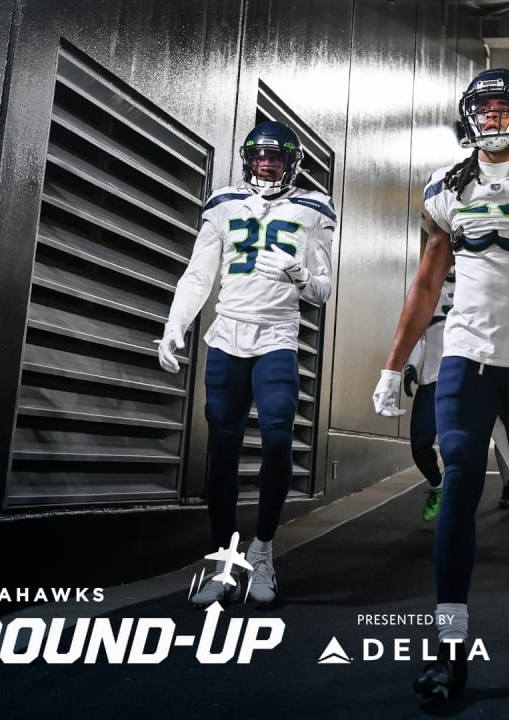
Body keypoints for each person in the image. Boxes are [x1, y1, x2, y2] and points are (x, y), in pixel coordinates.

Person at [370, 68, 509, 701]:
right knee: (462, 478)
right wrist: (394, 363)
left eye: (505, 108)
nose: (494, 118)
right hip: (466, 359)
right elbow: (424, 286)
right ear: (470, 116)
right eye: (485, 108)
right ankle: (448, 648)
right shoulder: (444, 190)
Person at [156, 120, 335, 608]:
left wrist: (298, 273)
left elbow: (322, 288)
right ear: (246, 160)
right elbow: (199, 273)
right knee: (224, 452)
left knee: (278, 440)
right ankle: (222, 559)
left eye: (274, 159)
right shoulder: (222, 202)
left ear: (291, 163)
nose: (265, 166)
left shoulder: (315, 208)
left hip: (277, 335)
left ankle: (262, 551)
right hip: (228, 335)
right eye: (258, 158)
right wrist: (177, 323)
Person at [403, 267, 509, 519]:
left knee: (483, 443)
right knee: (420, 445)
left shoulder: (481, 285)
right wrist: (410, 364)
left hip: (472, 379)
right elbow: (417, 333)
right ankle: (437, 486)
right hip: (431, 379)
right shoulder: (427, 287)